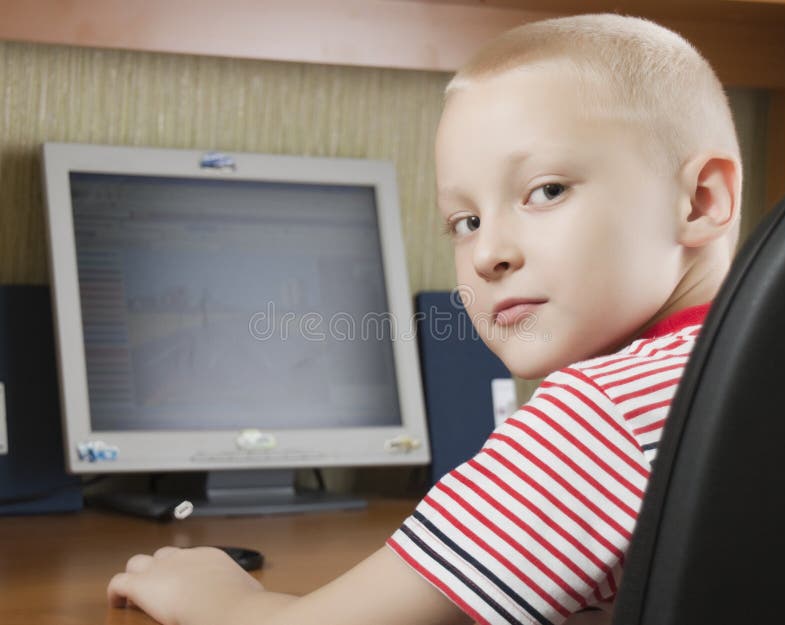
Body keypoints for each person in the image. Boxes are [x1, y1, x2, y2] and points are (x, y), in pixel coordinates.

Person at [106, 13, 742, 625]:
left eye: (546, 190)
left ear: (700, 200)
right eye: (466, 222)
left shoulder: (601, 414)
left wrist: (220, 598)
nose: (488, 254)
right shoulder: (741, 382)